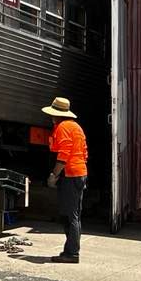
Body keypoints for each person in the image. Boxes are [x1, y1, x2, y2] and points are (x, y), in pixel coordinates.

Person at [43, 96, 87, 263]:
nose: (51, 117)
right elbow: (84, 152)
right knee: (74, 214)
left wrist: (54, 175)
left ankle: (72, 253)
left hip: (70, 175)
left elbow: (63, 155)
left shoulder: (63, 127)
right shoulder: (77, 127)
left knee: (70, 216)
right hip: (80, 173)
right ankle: (71, 251)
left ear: (57, 114)